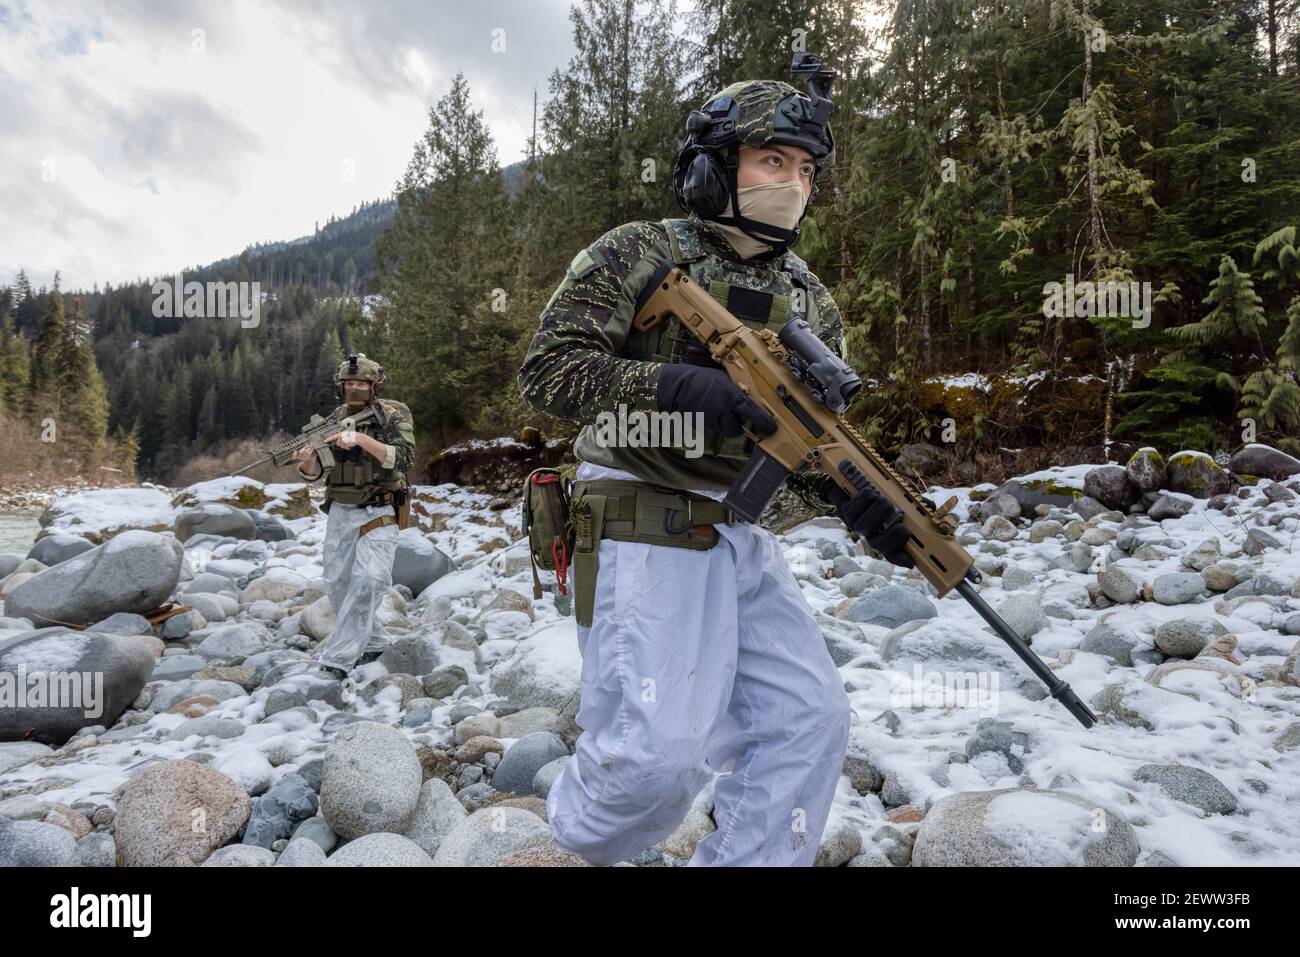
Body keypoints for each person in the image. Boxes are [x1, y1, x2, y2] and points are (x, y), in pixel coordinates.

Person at [517, 61, 914, 866]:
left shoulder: (811, 299)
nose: (794, 184)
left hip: (742, 532)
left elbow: (806, 446)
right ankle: (555, 848)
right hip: (640, 514)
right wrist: (673, 382)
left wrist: (859, 504)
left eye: (807, 169)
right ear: (713, 168)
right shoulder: (642, 250)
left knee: (807, 720)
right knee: (653, 759)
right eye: (774, 161)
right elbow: (548, 370)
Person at [288, 353, 416, 678]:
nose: (355, 389)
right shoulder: (332, 420)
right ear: (341, 386)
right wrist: (307, 459)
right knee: (337, 583)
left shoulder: (392, 415)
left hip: (381, 506)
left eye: (362, 383)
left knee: (370, 580)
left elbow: (404, 457)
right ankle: (373, 641)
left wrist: (360, 439)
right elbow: (316, 472)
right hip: (341, 510)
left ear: (374, 386)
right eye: (349, 384)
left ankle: (338, 659)